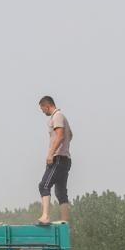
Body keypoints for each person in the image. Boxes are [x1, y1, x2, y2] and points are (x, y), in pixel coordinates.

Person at [36, 95, 73, 225]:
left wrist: (51, 154)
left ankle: (45, 216)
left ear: (47, 105)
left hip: (58, 158)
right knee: (61, 192)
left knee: (44, 185)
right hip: (65, 159)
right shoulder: (63, 117)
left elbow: (61, 135)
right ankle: (65, 221)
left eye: (43, 109)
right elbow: (70, 135)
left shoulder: (57, 116)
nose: (43, 112)